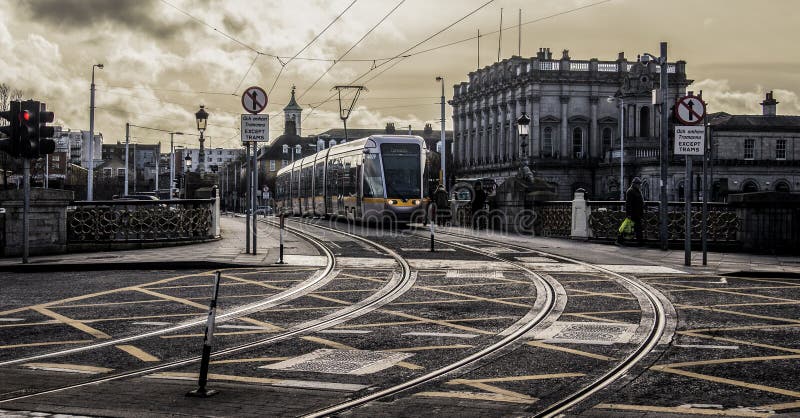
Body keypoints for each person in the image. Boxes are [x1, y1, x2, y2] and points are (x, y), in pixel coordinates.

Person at [617, 177, 644, 245]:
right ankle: (619, 240)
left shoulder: (637, 190)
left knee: (637, 228)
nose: (640, 185)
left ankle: (639, 241)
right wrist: (628, 214)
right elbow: (628, 204)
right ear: (634, 184)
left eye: (640, 184)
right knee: (627, 227)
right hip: (633, 213)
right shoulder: (630, 191)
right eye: (639, 184)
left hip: (638, 213)